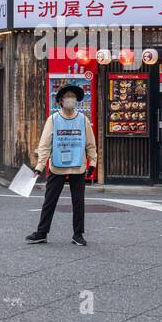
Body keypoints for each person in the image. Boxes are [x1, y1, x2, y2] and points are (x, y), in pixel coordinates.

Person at [26, 85, 97, 247]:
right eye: (67, 96)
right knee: (49, 200)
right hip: (57, 166)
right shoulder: (53, 119)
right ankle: (42, 232)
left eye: (73, 96)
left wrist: (92, 162)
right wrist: (39, 166)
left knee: (78, 201)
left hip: (78, 166)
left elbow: (90, 144)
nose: (71, 99)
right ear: (61, 101)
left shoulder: (83, 119)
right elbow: (45, 145)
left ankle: (78, 234)